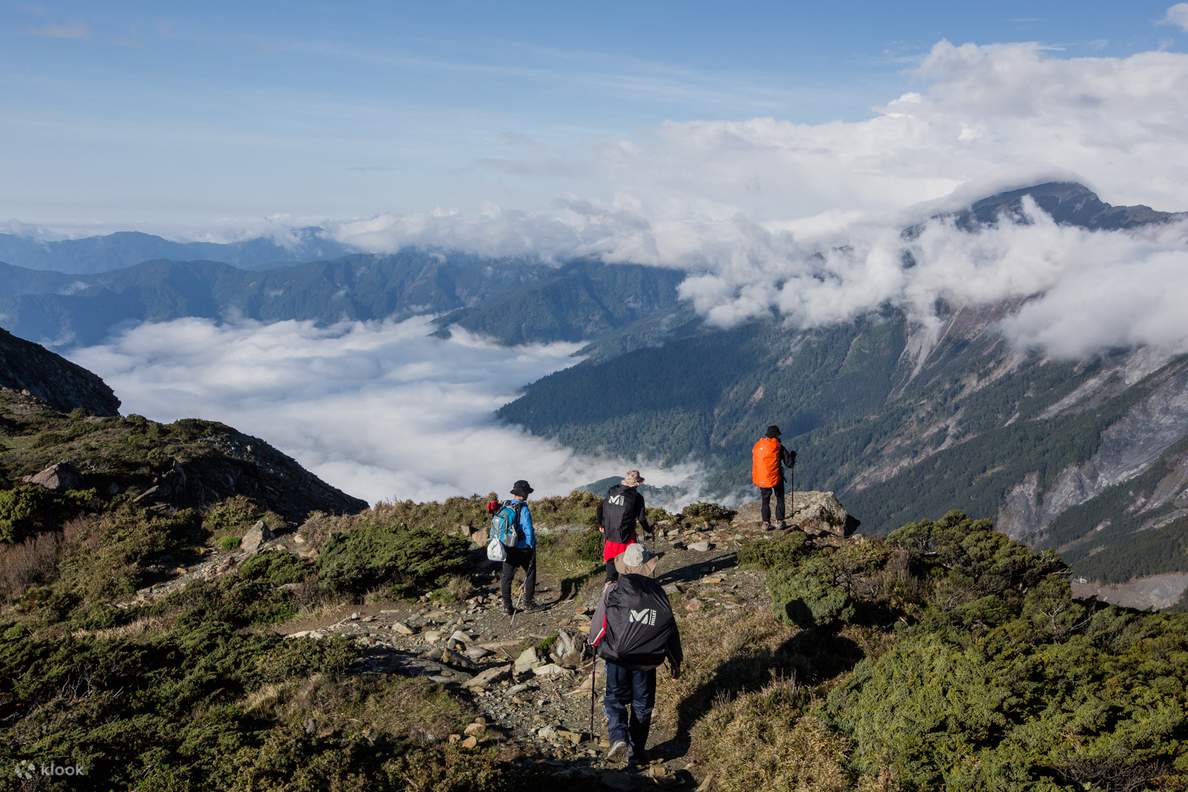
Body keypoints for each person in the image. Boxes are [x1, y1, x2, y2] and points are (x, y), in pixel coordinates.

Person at [588, 543, 682, 768]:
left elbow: (600, 623)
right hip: (647, 660)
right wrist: (675, 659)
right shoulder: (658, 593)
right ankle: (636, 752)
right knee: (642, 705)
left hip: (617, 656)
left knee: (615, 700)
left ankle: (619, 738)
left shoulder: (612, 589)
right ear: (647, 567)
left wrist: (593, 643)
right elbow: (669, 626)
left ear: (625, 567)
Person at [597, 470, 652, 582]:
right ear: (637, 483)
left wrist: (601, 524)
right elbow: (641, 518)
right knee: (630, 562)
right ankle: (629, 586)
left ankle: (610, 586)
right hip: (626, 536)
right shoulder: (637, 497)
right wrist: (649, 529)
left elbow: (599, 507)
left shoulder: (612, 490)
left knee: (611, 560)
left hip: (610, 534)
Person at [498, 480, 537, 615]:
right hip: (522, 547)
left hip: (507, 546)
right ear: (524, 493)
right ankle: (528, 604)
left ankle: (507, 607)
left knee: (506, 577)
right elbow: (528, 530)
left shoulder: (505, 505)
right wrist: (531, 546)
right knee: (530, 572)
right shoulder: (523, 508)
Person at [751, 425, 797, 530]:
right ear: (776, 435)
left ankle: (765, 523)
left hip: (761, 478)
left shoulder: (758, 445)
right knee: (779, 498)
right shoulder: (778, 446)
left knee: (765, 500)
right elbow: (789, 464)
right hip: (776, 478)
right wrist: (793, 456)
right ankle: (780, 521)